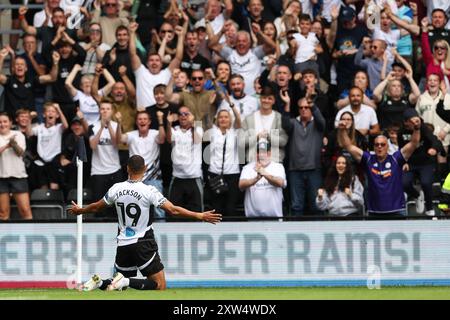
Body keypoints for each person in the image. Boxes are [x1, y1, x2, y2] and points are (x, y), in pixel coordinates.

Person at [69, 155, 221, 291]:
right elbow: (173, 210)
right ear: (145, 168)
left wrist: (80, 210)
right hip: (143, 242)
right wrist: (199, 215)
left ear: (127, 168)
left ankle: (100, 282)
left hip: (123, 243)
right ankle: (125, 281)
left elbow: (97, 206)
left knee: (115, 285)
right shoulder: (149, 191)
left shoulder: (117, 188)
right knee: (160, 285)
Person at [338, 112, 421, 216]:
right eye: (377, 145)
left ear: (387, 147)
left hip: (397, 210)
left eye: (383, 144)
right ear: (373, 147)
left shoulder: (396, 159)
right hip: (374, 211)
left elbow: (413, 143)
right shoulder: (368, 159)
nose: (380, 147)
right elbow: (349, 146)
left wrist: (417, 129)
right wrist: (342, 131)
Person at [117, 111, 166, 220]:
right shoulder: (132, 135)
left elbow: (162, 139)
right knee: (134, 209)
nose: (142, 121)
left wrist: (161, 121)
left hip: (153, 178)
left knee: (159, 210)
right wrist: (119, 123)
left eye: (145, 119)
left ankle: (161, 235)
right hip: (134, 180)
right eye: (140, 119)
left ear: (149, 122)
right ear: (136, 122)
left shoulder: (155, 133)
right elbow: (120, 139)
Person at [282, 94, 326, 216]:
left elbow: (322, 121)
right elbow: (285, 125)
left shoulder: (317, 124)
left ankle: (318, 234)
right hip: (295, 170)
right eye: (301, 107)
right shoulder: (293, 122)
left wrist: (313, 104)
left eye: (307, 107)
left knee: (317, 204)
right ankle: (296, 234)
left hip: (314, 169)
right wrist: (287, 104)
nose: (303, 109)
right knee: (296, 206)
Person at [239, 137, 287, 218]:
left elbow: (280, 183)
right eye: (259, 152)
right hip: (252, 219)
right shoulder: (247, 168)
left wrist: (264, 173)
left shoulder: (278, 167)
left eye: (265, 152)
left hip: (274, 218)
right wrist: (256, 179)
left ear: (269, 153)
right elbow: (241, 185)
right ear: (256, 154)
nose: (261, 154)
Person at [0, 113, 33, 220]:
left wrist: (13, 144)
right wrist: (6, 145)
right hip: (1, 178)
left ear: (10, 123)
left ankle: (30, 235)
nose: (2, 124)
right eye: (0, 122)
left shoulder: (18, 135)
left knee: (25, 210)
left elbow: (20, 153)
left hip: (18, 176)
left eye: (5, 121)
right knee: (3, 213)